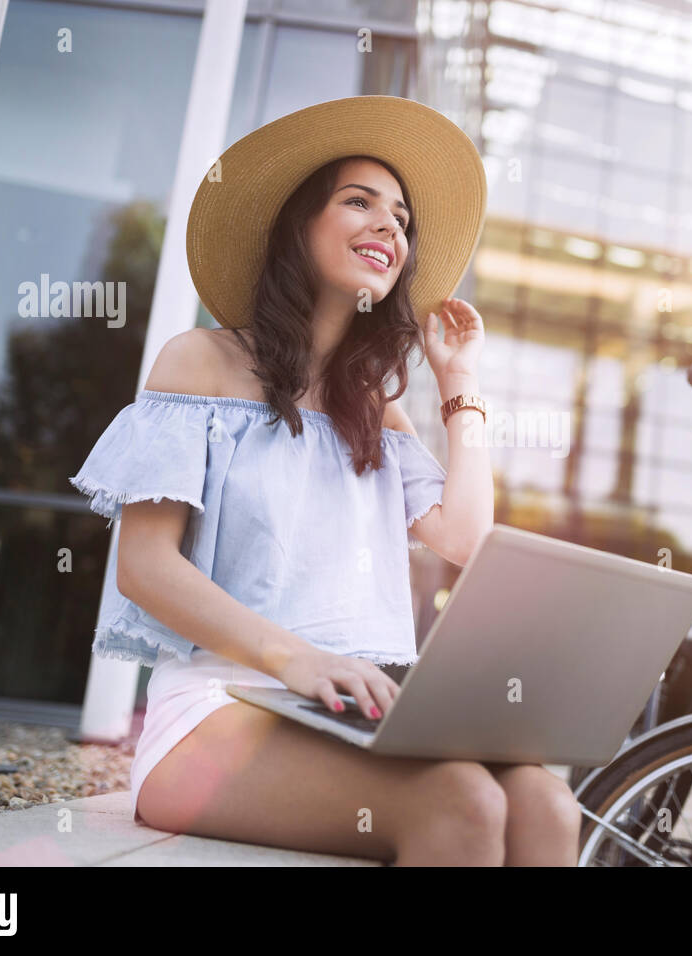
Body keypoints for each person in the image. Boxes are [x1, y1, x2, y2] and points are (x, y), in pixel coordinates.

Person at [68, 97, 581, 866]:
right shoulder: (200, 363)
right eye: (358, 202)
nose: (390, 226)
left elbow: (467, 540)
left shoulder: (376, 413)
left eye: (402, 218)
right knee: (464, 799)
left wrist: (460, 384)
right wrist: (294, 659)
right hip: (219, 708)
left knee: (545, 800)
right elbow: (145, 567)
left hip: (352, 708)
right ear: (297, 227)